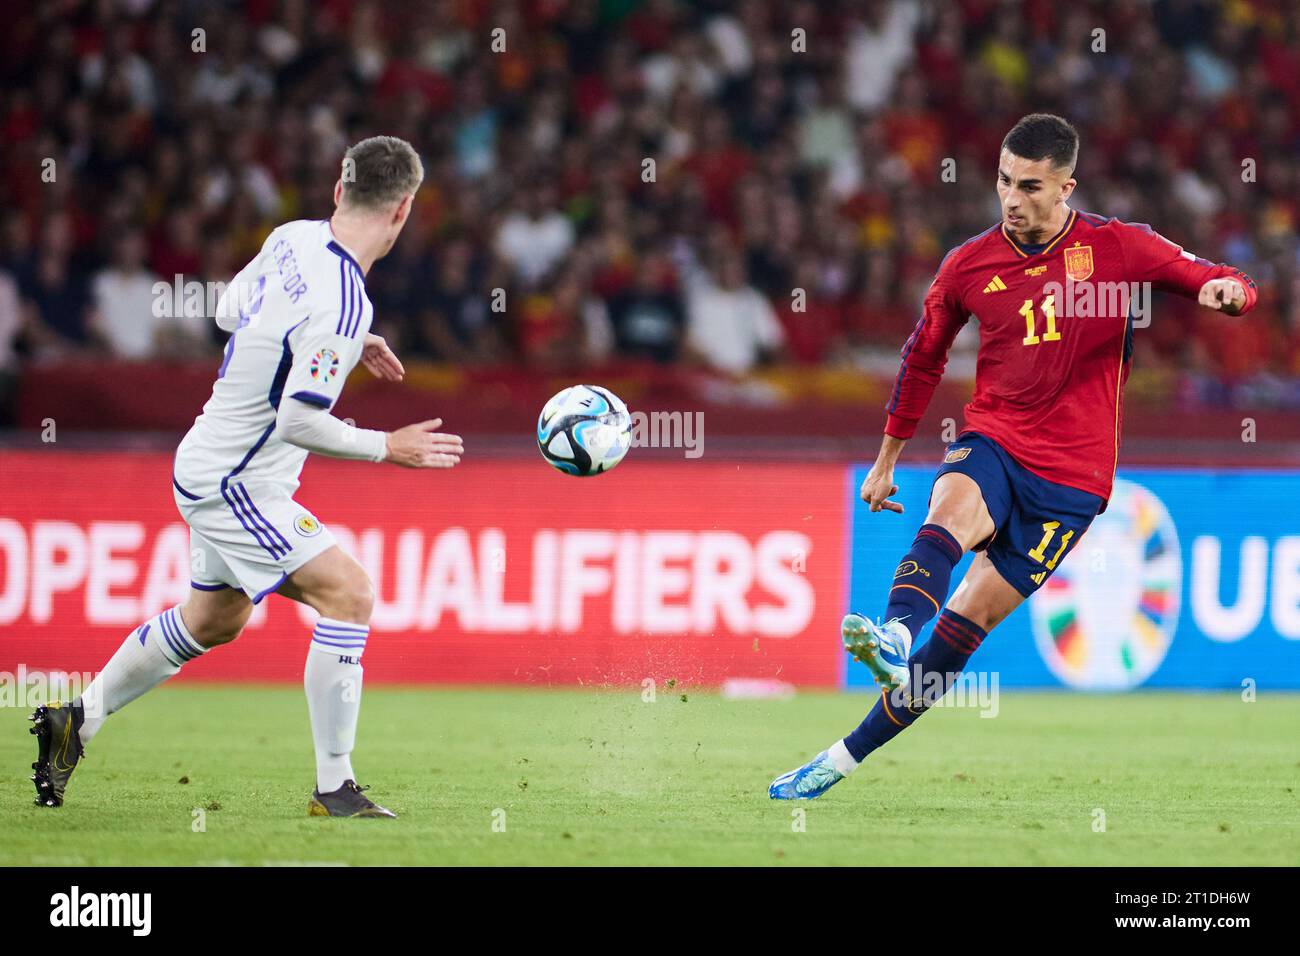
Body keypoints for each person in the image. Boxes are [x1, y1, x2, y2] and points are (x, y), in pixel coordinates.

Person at [770, 113, 1256, 799]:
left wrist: (1224, 292)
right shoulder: (969, 265)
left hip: (1073, 484)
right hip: (997, 439)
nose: (1012, 198)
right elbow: (922, 358)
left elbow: (1213, 274)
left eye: (1030, 185)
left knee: (965, 627)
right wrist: (885, 459)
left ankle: (840, 760)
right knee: (951, 509)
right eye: (1003, 181)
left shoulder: (1117, 249)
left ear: (1066, 188)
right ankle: (893, 635)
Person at [30, 136, 464, 818]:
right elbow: (298, 421)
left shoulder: (293, 238)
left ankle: (74, 722)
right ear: (404, 209)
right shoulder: (345, 304)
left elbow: (230, 312)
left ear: (336, 191)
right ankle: (334, 789)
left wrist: (327, 346)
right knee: (350, 594)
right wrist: (389, 446)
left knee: (214, 619)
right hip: (238, 483)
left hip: (208, 459)